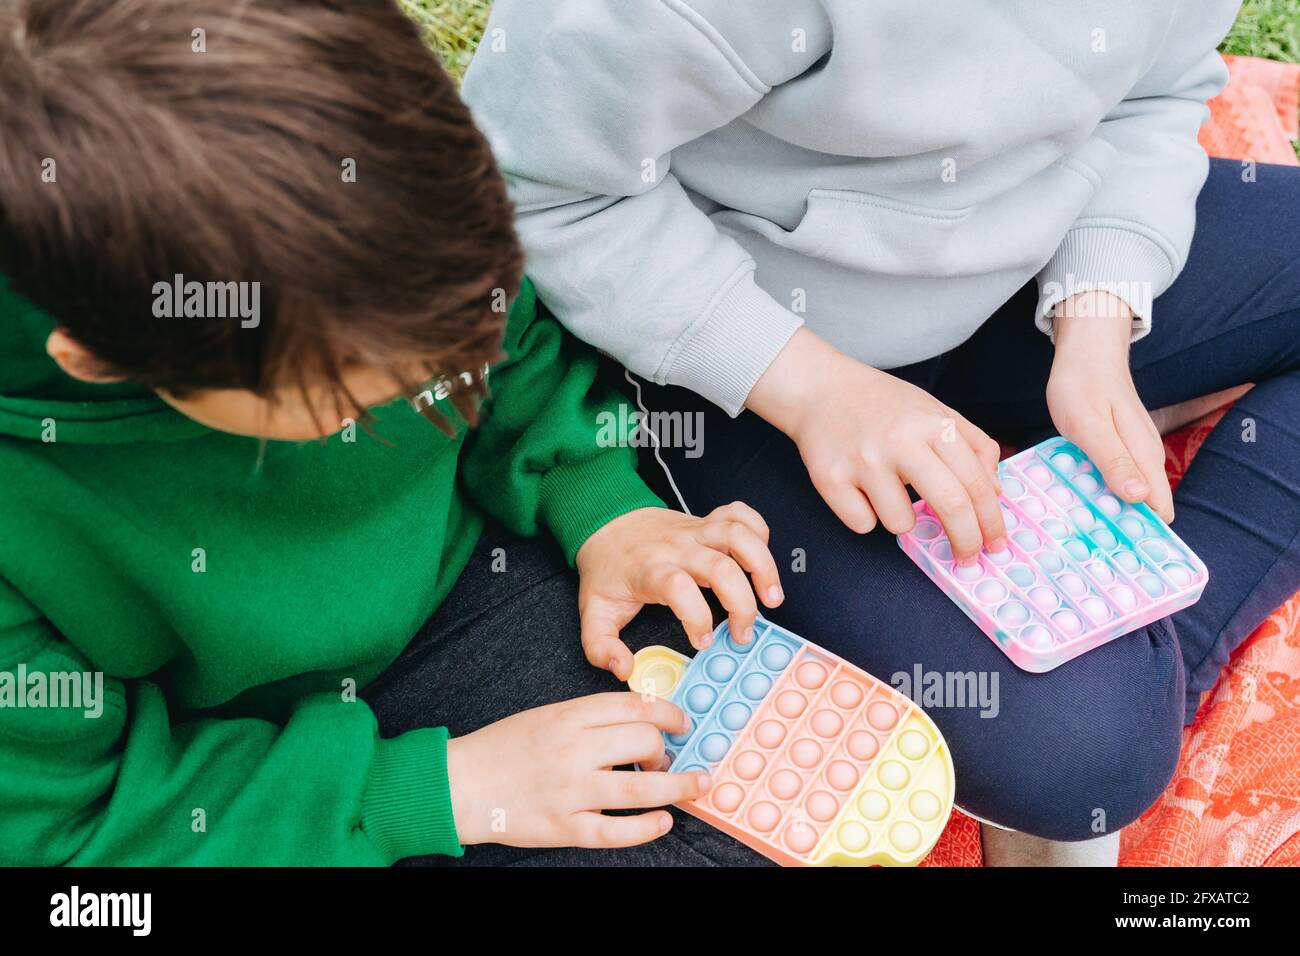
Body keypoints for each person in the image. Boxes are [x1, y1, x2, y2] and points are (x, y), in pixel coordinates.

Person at [464, 0, 1300, 864]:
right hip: (732, 353)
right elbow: (527, 185)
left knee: (1108, 722)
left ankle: (1148, 656)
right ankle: (1129, 697)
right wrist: (812, 388)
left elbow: (1154, 92)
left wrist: (1098, 316)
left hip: (1016, 272)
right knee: (1092, 759)